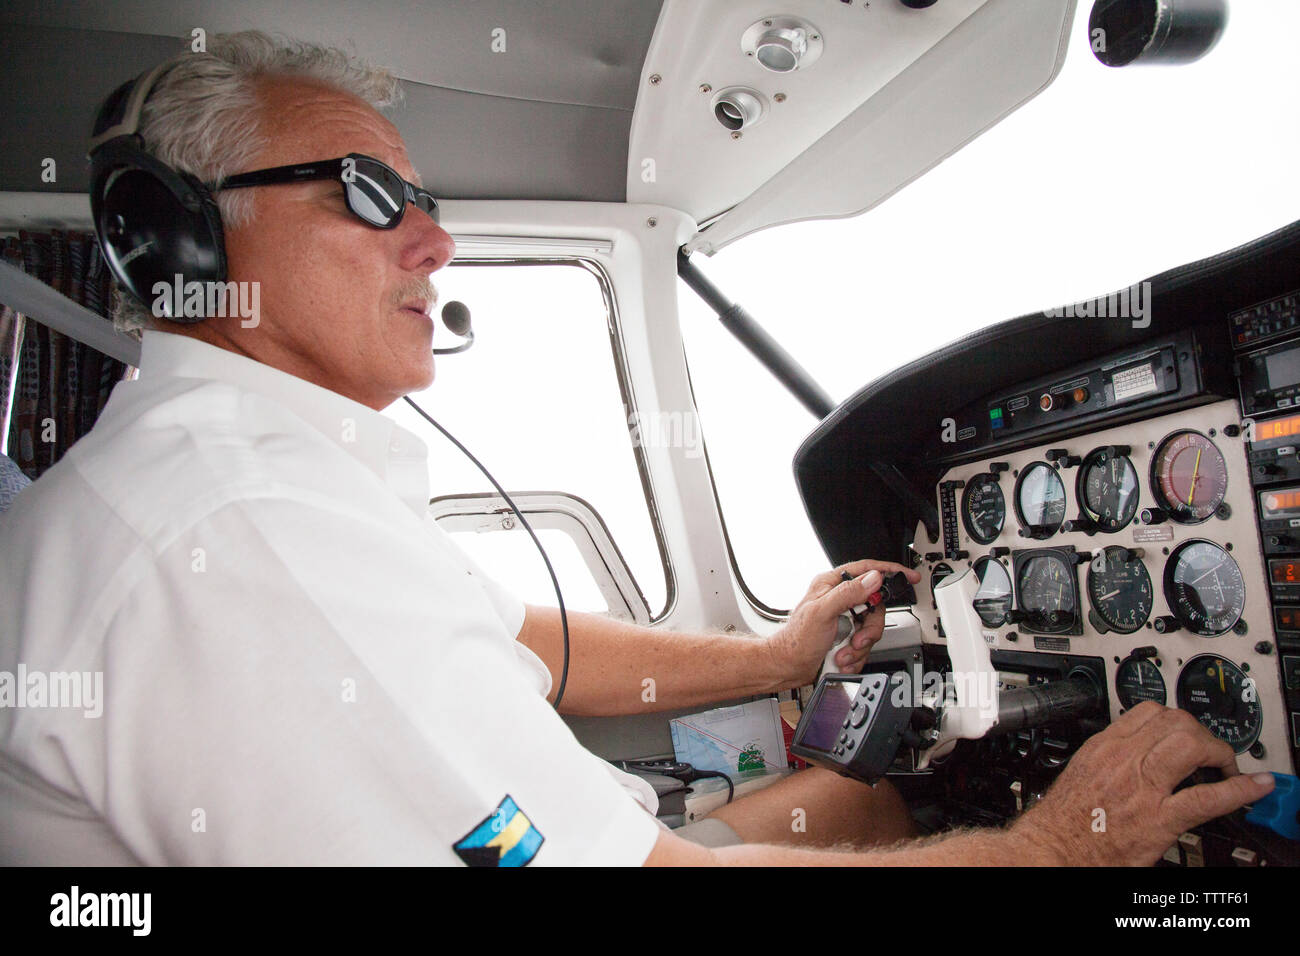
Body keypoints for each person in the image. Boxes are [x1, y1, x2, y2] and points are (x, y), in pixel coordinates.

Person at [0, 32, 1273, 867]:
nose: (434, 244)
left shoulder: (261, 471)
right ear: (179, 239)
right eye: (373, 193)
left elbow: (534, 649)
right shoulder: (241, 532)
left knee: (856, 799)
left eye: (431, 205)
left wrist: (770, 654)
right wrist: (1056, 843)